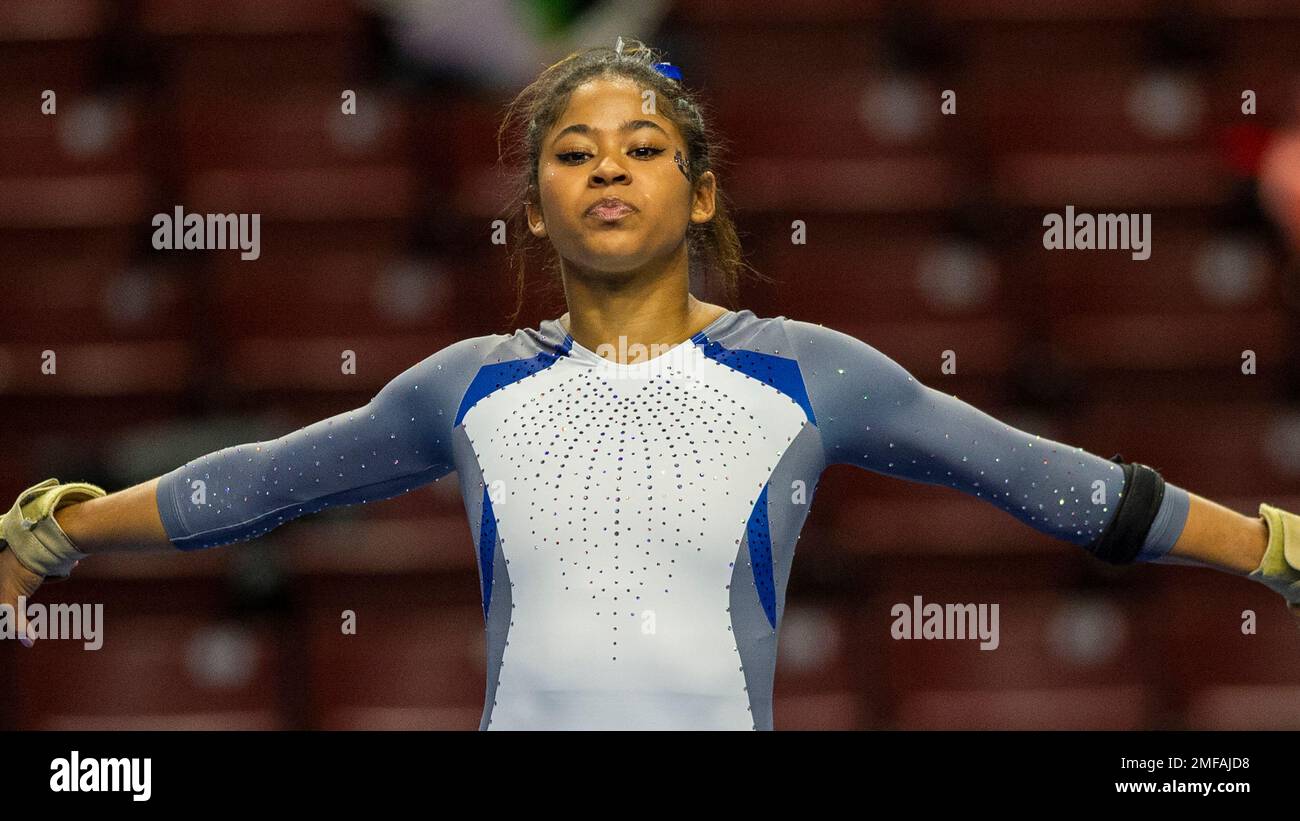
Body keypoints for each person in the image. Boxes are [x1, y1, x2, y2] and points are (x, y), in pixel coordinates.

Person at [3, 39, 1298, 731]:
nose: (609, 169)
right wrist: (59, 524)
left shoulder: (813, 376)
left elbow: (1055, 485)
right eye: (574, 152)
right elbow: (255, 487)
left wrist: (1268, 546)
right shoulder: (461, 391)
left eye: (643, 148)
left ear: (701, 191)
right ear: (535, 203)